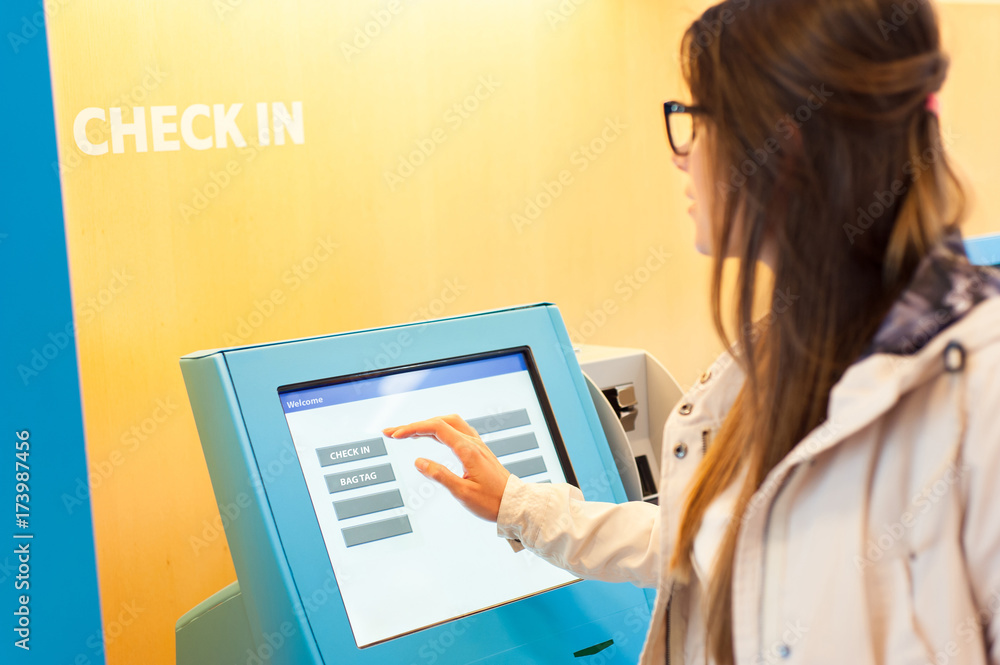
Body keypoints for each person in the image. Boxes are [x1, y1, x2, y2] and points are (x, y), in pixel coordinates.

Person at [383, 0, 1000, 662]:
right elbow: (701, 537)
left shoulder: (979, 390)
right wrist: (519, 505)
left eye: (697, 120)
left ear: (783, 147)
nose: (683, 157)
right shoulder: (789, 352)